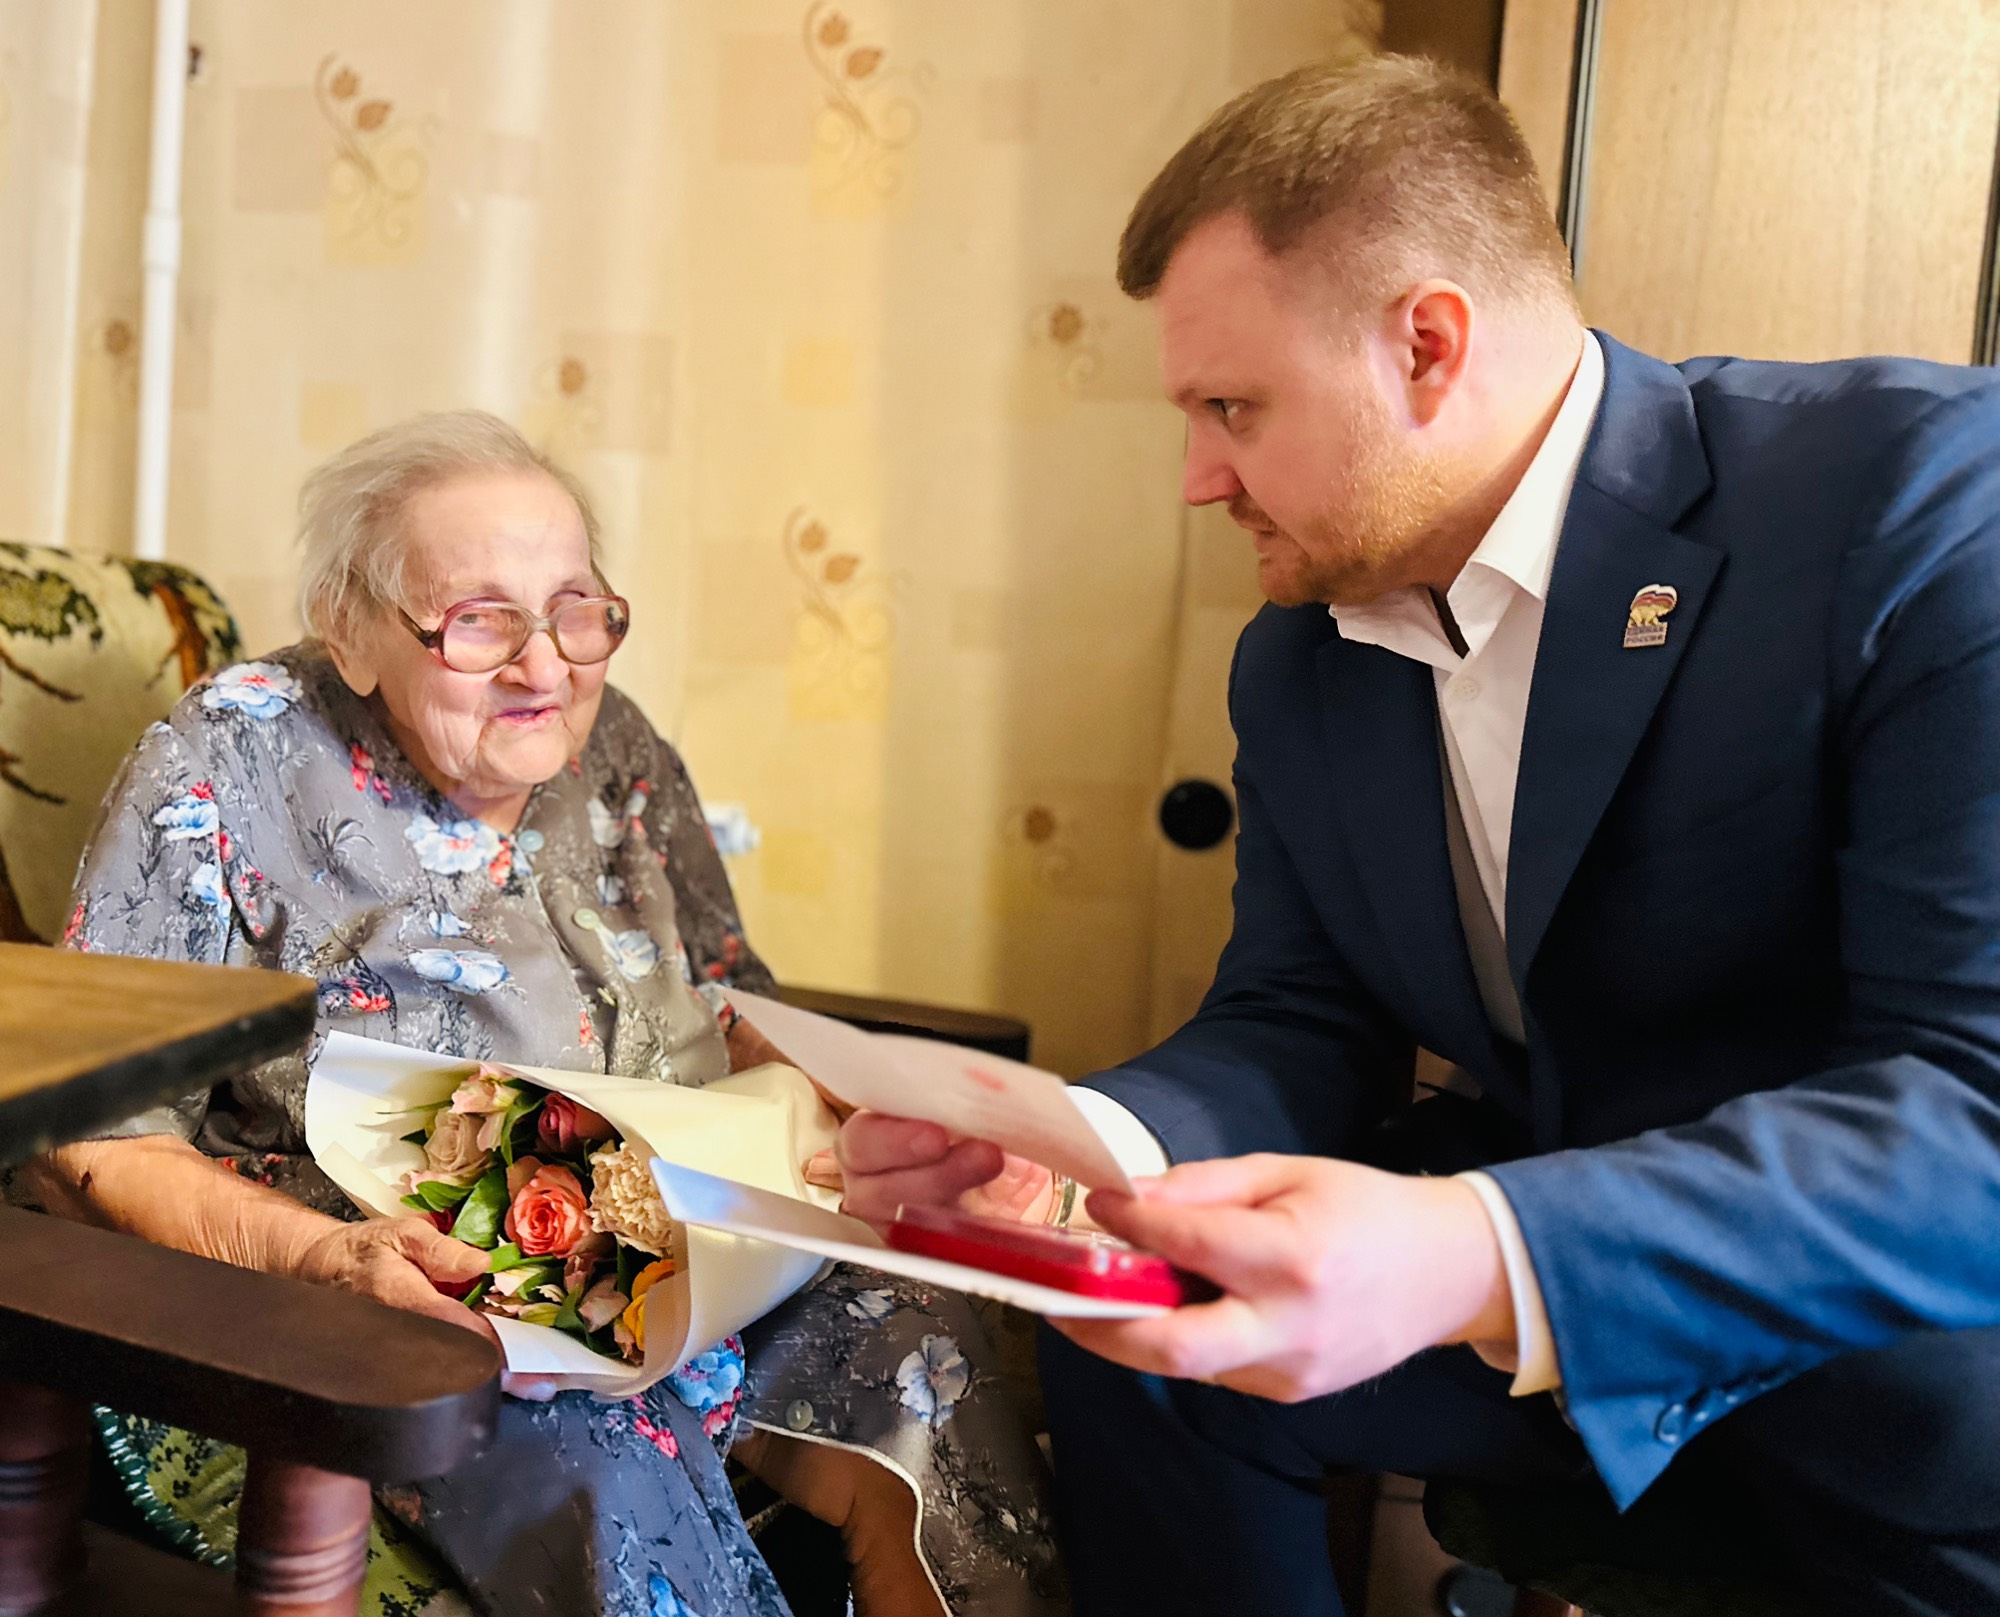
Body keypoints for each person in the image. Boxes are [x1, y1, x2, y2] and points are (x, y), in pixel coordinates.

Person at [837, 54, 2000, 1617]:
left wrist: (1476, 1244)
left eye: (1231, 408)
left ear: (1428, 345)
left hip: (1905, 1368)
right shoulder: (1302, 653)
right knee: (1145, 1320)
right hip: (1528, 1317)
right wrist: (1083, 1156)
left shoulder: (1926, 503)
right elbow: (1302, 1015)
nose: (1197, 479)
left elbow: (1977, 1110)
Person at [25, 412, 1060, 1617]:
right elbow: (88, 1132)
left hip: (692, 1247)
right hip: (378, 1292)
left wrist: (903, 1119)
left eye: (577, 610)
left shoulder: (612, 745)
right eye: (479, 620)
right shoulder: (235, 757)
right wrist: (322, 1258)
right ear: (353, 629)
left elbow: (734, 998)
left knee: (927, 1347)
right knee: (593, 1446)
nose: (544, 665)